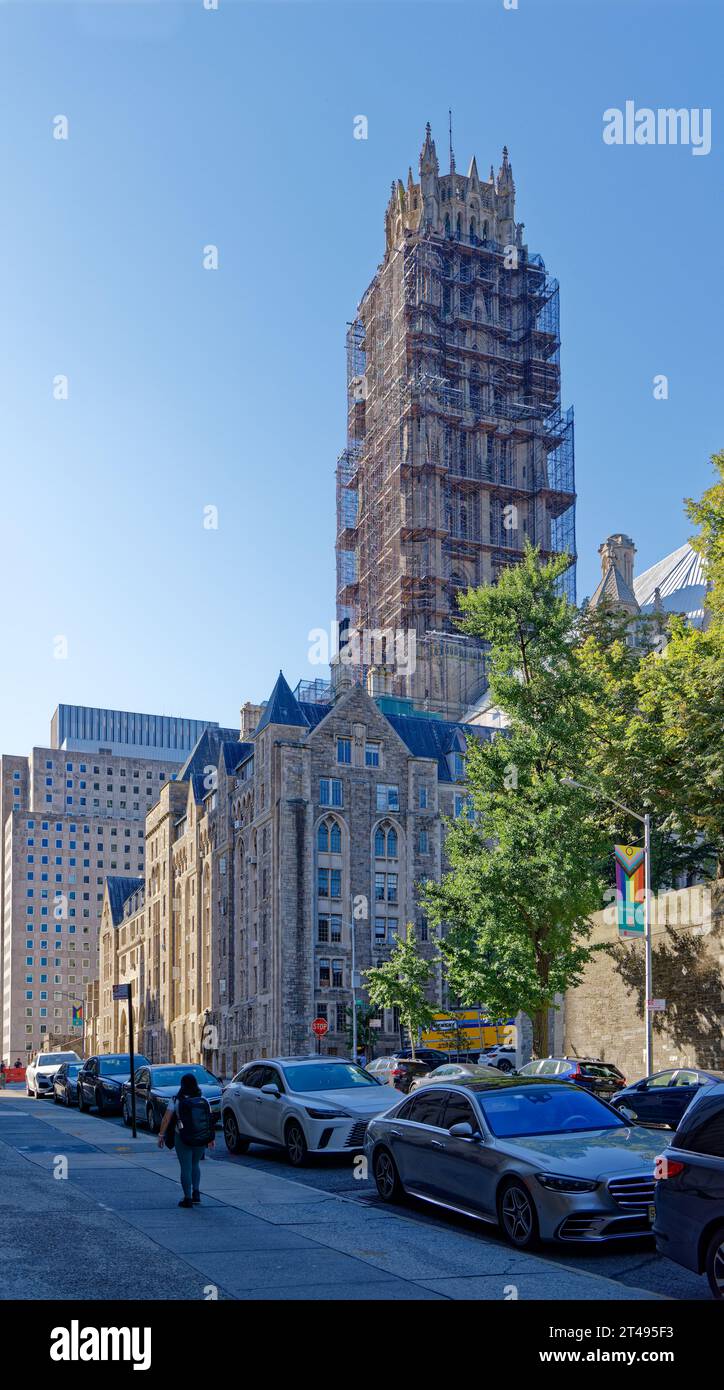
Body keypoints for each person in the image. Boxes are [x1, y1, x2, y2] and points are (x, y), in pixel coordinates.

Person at [158, 1072, 215, 1208]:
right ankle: (196, 1194)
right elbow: (209, 1120)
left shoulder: (176, 1100)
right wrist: (210, 1138)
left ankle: (187, 1198)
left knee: (185, 1167)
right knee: (195, 1165)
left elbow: (166, 1119)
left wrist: (161, 1135)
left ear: (182, 1085)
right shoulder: (203, 1100)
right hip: (200, 1137)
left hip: (182, 1136)